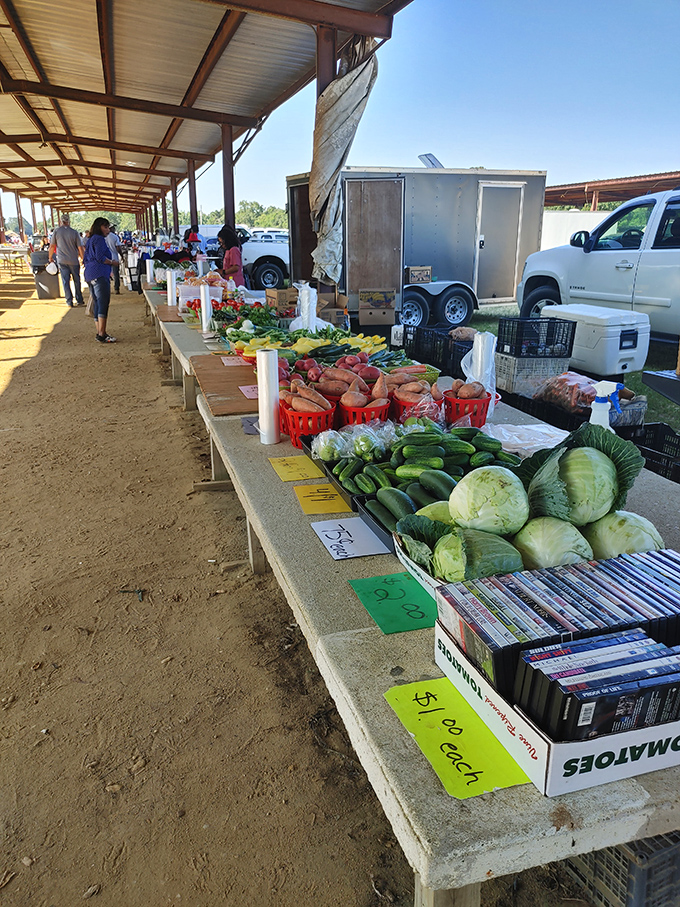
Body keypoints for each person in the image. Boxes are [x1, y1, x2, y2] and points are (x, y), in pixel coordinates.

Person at [84, 217, 119, 343]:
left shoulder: (90, 239)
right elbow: (100, 257)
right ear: (100, 227)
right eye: (105, 227)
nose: (108, 230)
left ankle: (99, 331)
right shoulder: (99, 240)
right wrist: (112, 262)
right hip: (99, 273)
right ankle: (102, 333)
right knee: (103, 302)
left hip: (90, 273)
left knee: (97, 302)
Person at [49, 213, 85, 307]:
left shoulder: (56, 232)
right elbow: (80, 247)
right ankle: (79, 299)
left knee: (65, 281)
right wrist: (83, 258)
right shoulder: (74, 232)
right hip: (73, 260)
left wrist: (50, 257)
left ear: (61, 221)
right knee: (77, 280)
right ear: (69, 221)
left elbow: (52, 246)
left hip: (62, 260)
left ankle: (69, 301)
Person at [105, 224, 122, 294]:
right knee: (116, 274)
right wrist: (121, 255)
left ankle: (107, 289)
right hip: (114, 258)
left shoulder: (104, 237)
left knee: (106, 274)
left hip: (106, 258)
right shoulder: (115, 237)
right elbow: (118, 247)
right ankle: (116, 288)